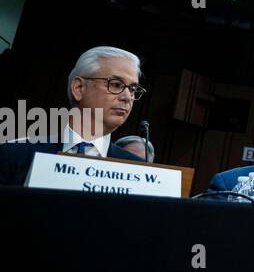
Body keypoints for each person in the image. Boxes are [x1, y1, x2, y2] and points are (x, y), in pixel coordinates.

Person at [0, 46, 145, 185]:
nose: (127, 97)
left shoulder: (138, 171)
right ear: (79, 88)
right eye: (116, 84)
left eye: (132, 89)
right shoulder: (13, 155)